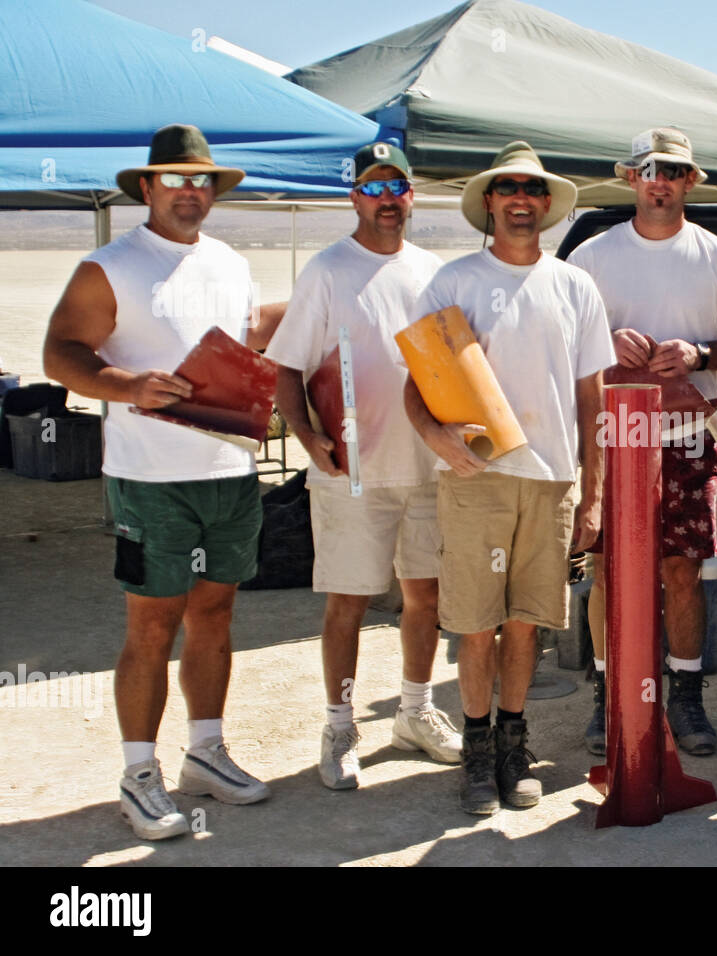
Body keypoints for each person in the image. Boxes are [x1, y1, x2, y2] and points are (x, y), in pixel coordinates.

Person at [43, 124, 283, 840]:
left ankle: (205, 752)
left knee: (215, 617)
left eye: (201, 180)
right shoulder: (109, 266)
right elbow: (60, 350)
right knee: (150, 627)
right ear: (146, 187)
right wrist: (125, 384)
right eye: (175, 179)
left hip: (229, 473)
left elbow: (243, 339)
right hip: (150, 478)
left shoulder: (232, 263)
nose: (189, 192)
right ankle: (138, 773)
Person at [404, 141, 615, 815]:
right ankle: (476, 751)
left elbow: (594, 399)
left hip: (551, 481)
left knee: (526, 625)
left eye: (533, 188)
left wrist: (594, 493)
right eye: (508, 188)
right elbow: (418, 386)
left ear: (547, 204)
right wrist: (437, 438)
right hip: (476, 479)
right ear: (489, 202)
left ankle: (514, 745)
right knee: (474, 625)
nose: (522, 198)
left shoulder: (576, 285)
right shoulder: (453, 281)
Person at [264, 142, 459, 790]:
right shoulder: (326, 270)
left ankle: (414, 712)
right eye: (373, 189)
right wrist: (305, 437)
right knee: (347, 602)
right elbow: (286, 367)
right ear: (353, 197)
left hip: (427, 470)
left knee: (424, 597)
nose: (387, 201)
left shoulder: (434, 272)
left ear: (411, 196)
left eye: (397, 187)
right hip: (352, 474)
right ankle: (340, 724)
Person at [567, 128, 717, 757]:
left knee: (684, 572)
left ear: (690, 180)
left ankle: (686, 698)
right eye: (648, 169)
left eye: (673, 170)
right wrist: (605, 342)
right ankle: (607, 697)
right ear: (629, 178)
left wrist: (699, 351)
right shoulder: (591, 258)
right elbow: (562, 347)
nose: (660, 180)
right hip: (613, 436)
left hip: (686, 436)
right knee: (610, 572)